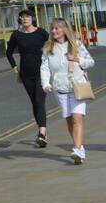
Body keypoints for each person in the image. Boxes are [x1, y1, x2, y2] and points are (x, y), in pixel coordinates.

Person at [40, 18, 94, 164]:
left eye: (57, 28)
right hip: (60, 89)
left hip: (77, 87)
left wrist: (77, 59)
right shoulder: (48, 48)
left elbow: (90, 62)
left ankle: (76, 149)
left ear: (64, 30)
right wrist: (45, 83)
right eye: (52, 29)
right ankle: (79, 147)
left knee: (77, 118)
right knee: (69, 120)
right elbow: (44, 67)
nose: (54, 31)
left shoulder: (75, 45)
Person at [6, 9, 51, 147]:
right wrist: (15, 67)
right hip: (25, 73)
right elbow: (8, 52)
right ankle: (41, 131)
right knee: (34, 102)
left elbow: (52, 45)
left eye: (27, 16)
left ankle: (42, 132)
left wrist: (52, 63)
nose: (25, 19)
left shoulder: (41, 33)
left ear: (32, 18)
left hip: (42, 72)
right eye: (22, 17)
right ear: (20, 20)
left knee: (39, 100)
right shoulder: (16, 35)